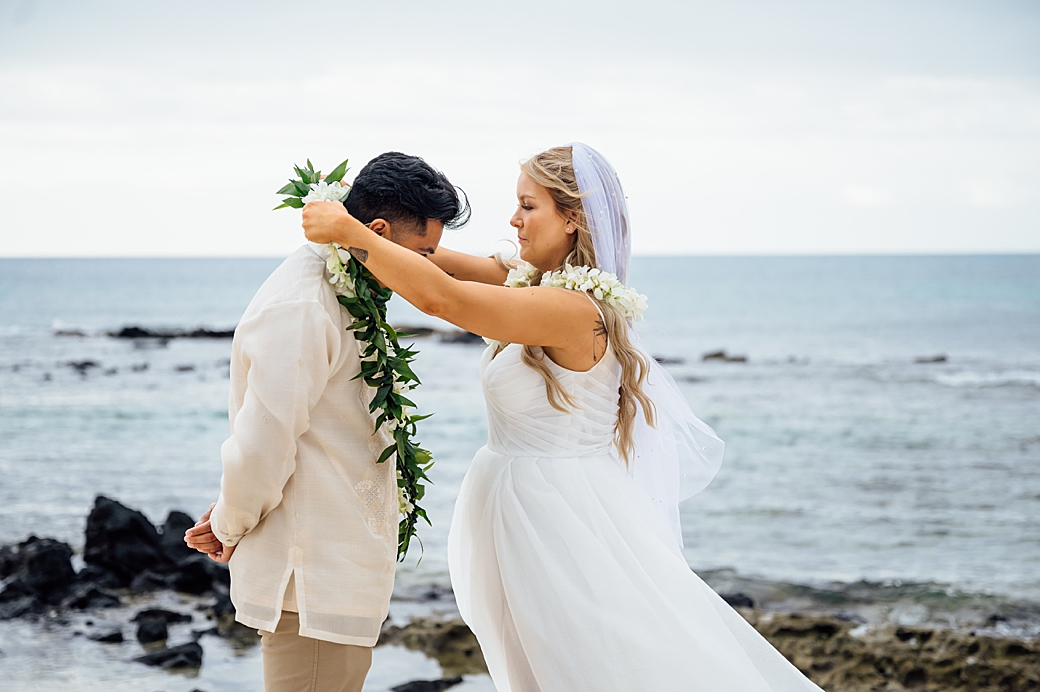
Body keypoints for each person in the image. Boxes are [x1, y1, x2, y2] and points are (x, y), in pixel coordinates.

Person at [301, 144, 824, 691]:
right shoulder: (533, 284)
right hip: (520, 510)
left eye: (528, 206)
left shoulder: (575, 310)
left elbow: (443, 300)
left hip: (558, 519)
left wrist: (351, 233)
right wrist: (365, 224)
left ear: (572, 218)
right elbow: (427, 260)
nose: (513, 219)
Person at [184, 151, 470, 692]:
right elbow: (261, 446)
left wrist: (230, 512)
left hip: (337, 573)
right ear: (378, 232)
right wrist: (228, 524)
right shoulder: (304, 303)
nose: (429, 265)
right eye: (424, 251)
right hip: (311, 579)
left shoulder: (344, 287)